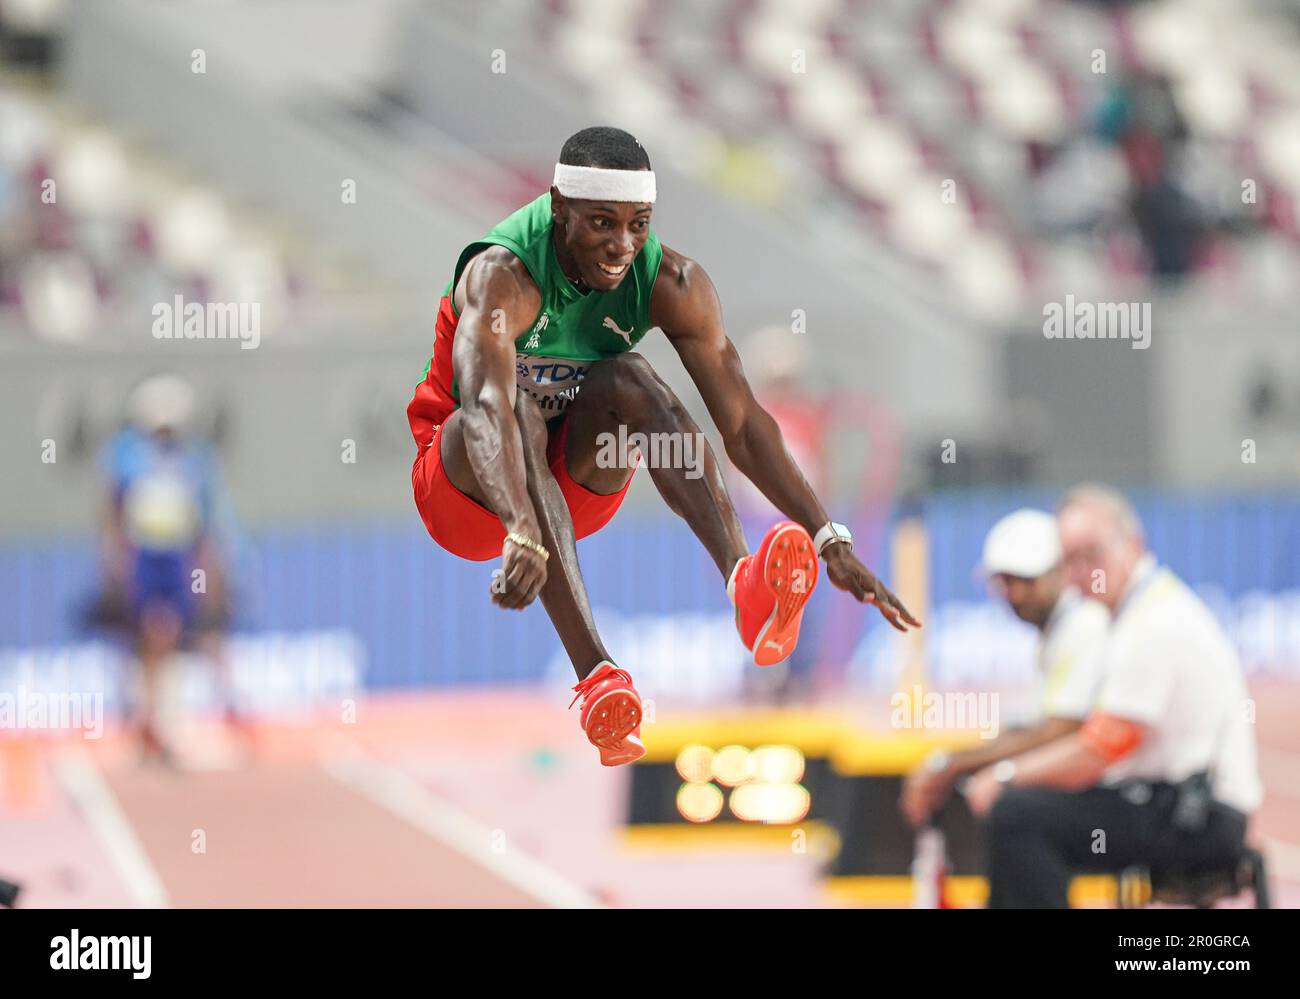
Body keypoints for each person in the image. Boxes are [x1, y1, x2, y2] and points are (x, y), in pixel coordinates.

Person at [406, 126, 919, 766]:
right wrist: (517, 527)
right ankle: (598, 676)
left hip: (578, 484)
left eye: (637, 225)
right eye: (601, 224)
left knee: (634, 376)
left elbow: (743, 422)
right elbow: (482, 409)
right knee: (516, 406)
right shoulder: (502, 275)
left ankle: (745, 584)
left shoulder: (671, 280)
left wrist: (826, 536)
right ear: (559, 210)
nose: (621, 248)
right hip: (468, 491)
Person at [964, 485, 1263, 908]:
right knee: (1023, 809)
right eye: (1070, 561)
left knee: (1018, 814)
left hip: (1199, 817)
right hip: (1170, 800)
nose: (1082, 572)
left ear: (1133, 545)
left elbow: (1103, 748)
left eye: (1092, 555)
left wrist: (1008, 774)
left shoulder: (1152, 623)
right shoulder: (1128, 615)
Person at [900, 509, 1108, 828]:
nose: (1016, 594)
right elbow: (1040, 729)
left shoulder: (1082, 626)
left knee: (1011, 810)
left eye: (1027, 580)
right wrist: (951, 762)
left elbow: (1060, 731)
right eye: (1006, 581)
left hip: (1123, 794)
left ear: (1061, 572)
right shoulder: (1060, 629)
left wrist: (953, 765)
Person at [99, 373, 240, 762]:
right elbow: (114, 513)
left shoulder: (192, 460)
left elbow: (203, 523)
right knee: (148, 640)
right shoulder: (127, 457)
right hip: (145, 558)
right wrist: (116, 562)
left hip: (177, 560)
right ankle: (148, 723)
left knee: (176, 635)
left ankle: (167, 723)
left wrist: (209, 571)